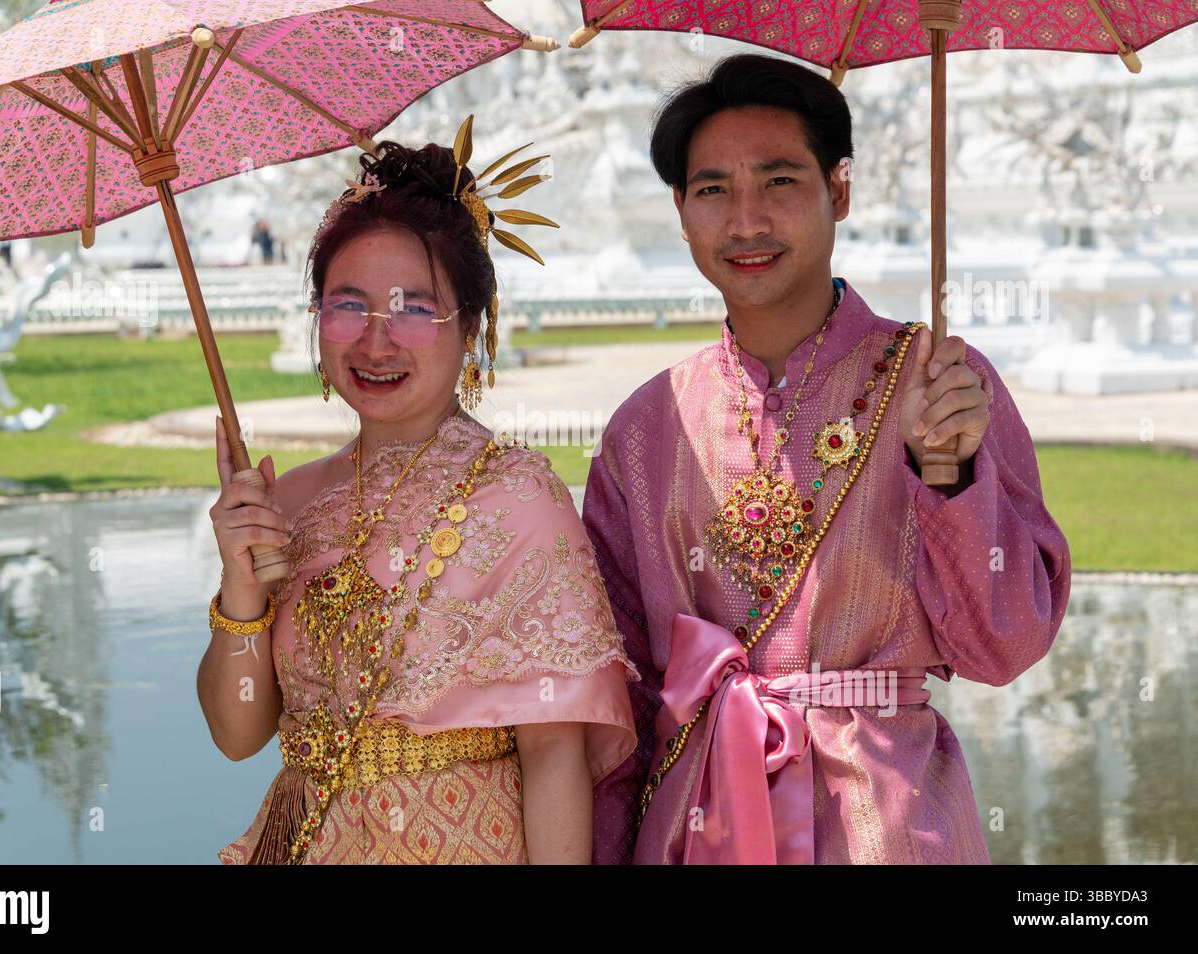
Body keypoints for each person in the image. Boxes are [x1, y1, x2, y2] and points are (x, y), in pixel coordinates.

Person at [585, 54, 1073, 864]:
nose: (746, 221)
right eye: (713, 190)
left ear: (837, 191)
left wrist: (945, 478)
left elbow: (1005, 648)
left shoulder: (940, 381)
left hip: (888, 822)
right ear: (679, 210)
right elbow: (613, 701)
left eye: (780, 182)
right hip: (696, 825)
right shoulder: (647, 427)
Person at [202, 121, 638, 865]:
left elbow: (554, 756)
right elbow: (240, 736)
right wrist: (239, 587)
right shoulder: (290, 501)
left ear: (470, 327)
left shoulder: (519, 498)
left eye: (412, 309)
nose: (375, 341)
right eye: (348, 306)